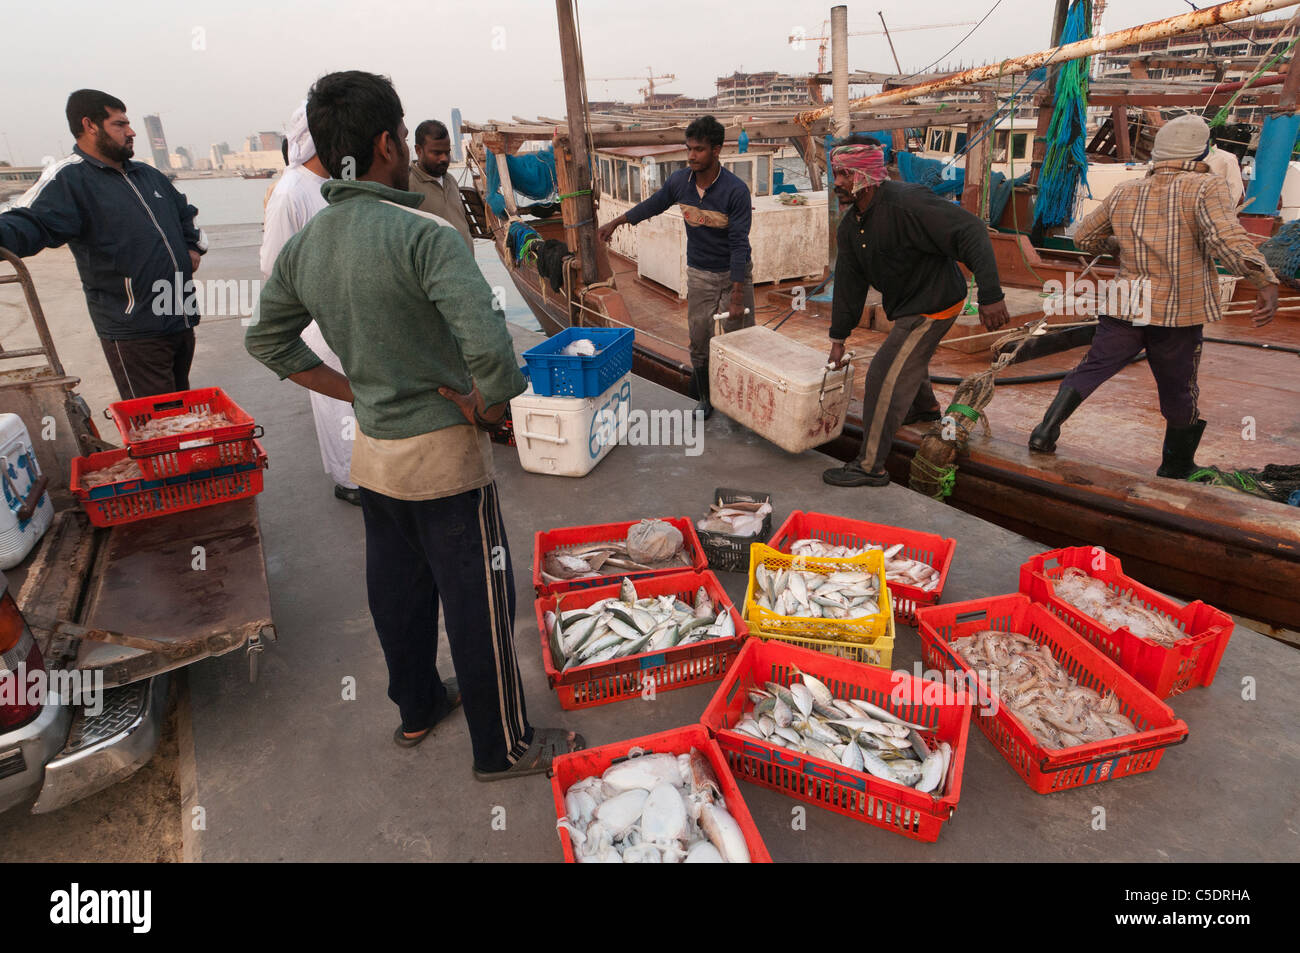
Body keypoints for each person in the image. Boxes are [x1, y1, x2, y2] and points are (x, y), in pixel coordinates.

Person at [245, 70, 581, 778]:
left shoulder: (312, 242)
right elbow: (493, 351)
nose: (403, 145)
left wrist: (354, 389)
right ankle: (505, 747)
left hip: (375, 461)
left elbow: (266, 341)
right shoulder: (422, 233)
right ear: (385, 144)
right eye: (399, 135)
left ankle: (418, 709)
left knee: (396, 594)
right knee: (479, 606)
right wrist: (488, 407)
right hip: (444, 466)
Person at [1029, 114, 1278, 479]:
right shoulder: (1205, 187)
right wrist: (1265, 280)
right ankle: (1176, 465)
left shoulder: (1126, 191)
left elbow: (1083, 238)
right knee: (1179, 386)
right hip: (1175, 311)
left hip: (1127, 304)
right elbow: (1227, 241)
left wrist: (1116, 244)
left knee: (1093, 366)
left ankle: (1044, 432)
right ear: (1202, 150)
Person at [821, 139, 1010, 488]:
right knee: (906, 357)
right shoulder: (851, 227)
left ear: (867, 174)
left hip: (936, 302)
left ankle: (870, 466)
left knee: (884, 372)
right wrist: (838, 339)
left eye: (845, 174)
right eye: (835, 173)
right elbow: (848, 285)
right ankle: (924, 410)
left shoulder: (908, 202)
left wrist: (990, 294)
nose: (838, 182)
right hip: (908, 305)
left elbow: (970, 231)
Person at [0, 89, 206, 399]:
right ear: (90, 125)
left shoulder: (147, 175)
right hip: (134, 330)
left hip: (180, 319)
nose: (131, 132)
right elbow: (29, 221)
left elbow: (185, 214)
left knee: (181, 414)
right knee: (155, 423)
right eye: (120, 124)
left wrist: (192, 248)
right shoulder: (70, 180)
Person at [598, 115, 754, 418]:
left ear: (717, 150)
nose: (692, 156)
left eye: (699, 150)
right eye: (689, 149)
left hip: (734, 275)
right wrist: (617, 222)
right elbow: (652, 205)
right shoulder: (679, 182)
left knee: (740, 339)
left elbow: (739, 244)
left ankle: (739, 405)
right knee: (699, 338)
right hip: (699, 274)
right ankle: (707, 398)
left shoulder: (735, 191)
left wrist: (737, 296)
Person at [259, 101, 361, 506]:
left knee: (355, 399)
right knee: (334, 402)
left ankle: (364, 472)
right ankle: (348, 480)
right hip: (318, 316)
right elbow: (273, 264)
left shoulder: (332, 185)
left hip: (348, 311)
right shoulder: (290, 192)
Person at [406, 119, 474, 251]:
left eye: (447, 152)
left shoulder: (451, 180)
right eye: (437, 153)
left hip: (464, 266)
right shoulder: (408, 185)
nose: (444, 158)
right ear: (419, 150)